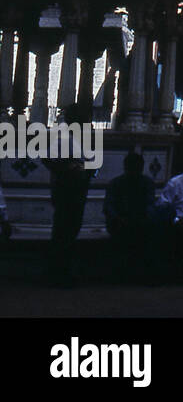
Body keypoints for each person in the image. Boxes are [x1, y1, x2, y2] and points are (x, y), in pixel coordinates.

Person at [45, 102, 94, 286]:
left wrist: (84, 170)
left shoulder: (83, 138)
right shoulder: (62, 137)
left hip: (78, 188)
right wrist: (68, 168)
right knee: (63, 230)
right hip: (66, 188)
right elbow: (48, 159)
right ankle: (58, 272)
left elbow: (92, 163)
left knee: (71, 229)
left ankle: (62, 270)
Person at [104, 150, 155, 281]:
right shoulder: (115, 184)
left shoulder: (146, 183)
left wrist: (145, 217)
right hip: (120, 221)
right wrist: (117, 218)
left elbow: (150, 204)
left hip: (138, 220)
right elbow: (109, 207)